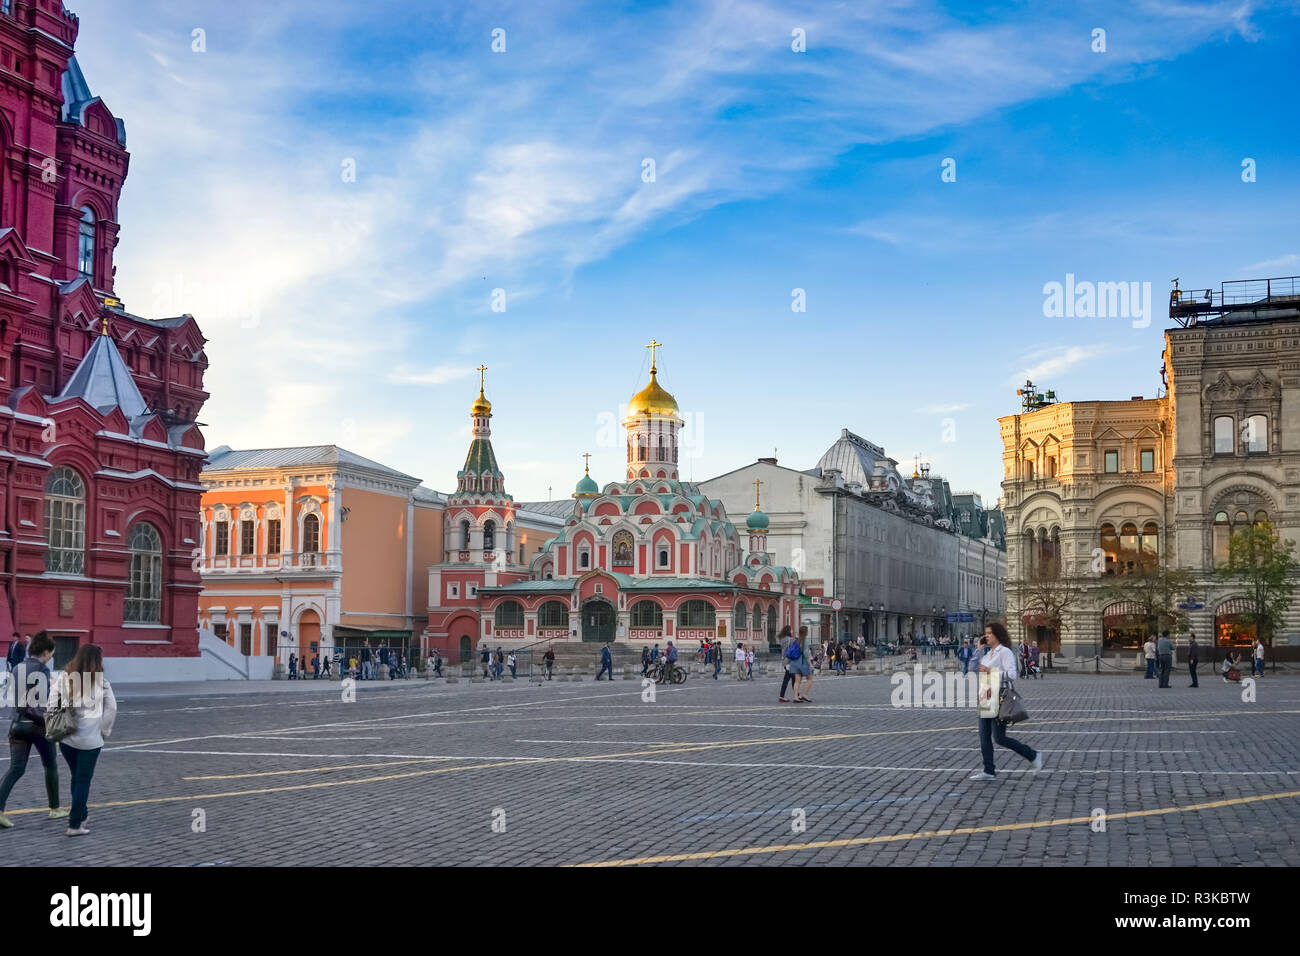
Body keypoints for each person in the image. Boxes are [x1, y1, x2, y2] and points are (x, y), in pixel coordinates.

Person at [49, 643, 116, 837]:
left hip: (67, 739)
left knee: (76, 778)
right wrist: (104, 730)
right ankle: (75, 824)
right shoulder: (101, 682)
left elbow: (52, 704)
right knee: (83, 781)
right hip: (90, 740)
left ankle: (82, 814)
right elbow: (112, 709)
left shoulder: (64, 677)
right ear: (98, 661)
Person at [0, 632, 62, 829]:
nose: (52, 656)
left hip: (17, 724)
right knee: (50, 765)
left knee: (15, 769)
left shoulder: (18, 667)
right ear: (45, 652)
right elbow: (41, 702)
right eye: (52, 653)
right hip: (38, 726)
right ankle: (55, 809)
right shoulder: (42, 670)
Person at [970, 621, 1043, 781]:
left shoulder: (1005, 652)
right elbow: (972, 668)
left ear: (997, 635)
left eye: (989, 633)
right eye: (985, 633)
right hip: (986, 695)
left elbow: (1011, 675)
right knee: (983, 736)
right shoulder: (988, 654)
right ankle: (988, 770)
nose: (986, 636)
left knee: (999, 738)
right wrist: (978, 649)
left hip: (999, 695)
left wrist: (991, 671)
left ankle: (1033, 755)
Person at [789, 626, 813, 702]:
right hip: (802, 662)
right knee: (809, 678)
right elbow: (806, 653)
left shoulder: (796, 640)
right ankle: (804, 695)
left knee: (797, 681)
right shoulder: (805, 640)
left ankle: (795, 697)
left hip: (794, 662)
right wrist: (810, 664)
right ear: (805, 632)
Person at [777, 625, 797, 702]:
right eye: (791, 630)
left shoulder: (782, 639)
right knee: (793, 679)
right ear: (789, 631)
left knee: (789, 679)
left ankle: (782, 696)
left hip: (785, 661)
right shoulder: (791, 640)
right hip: (790, 661)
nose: (792, 631)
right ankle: (796, 696)